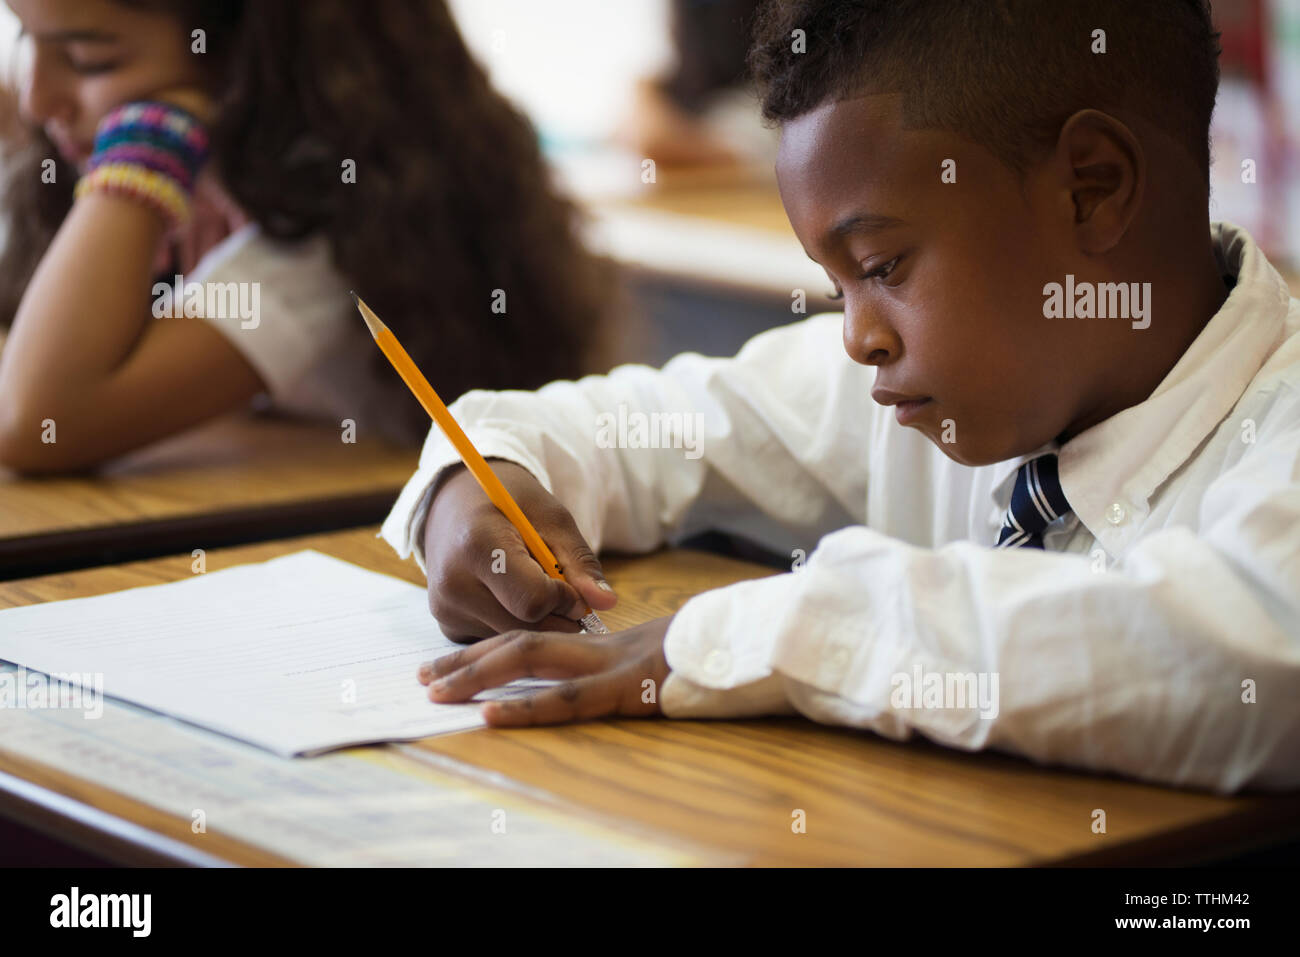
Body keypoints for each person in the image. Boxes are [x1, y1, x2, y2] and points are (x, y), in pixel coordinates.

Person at [382, 0, 1300, 793]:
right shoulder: (906, 393)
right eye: (837, 288)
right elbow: (615, 427)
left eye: (884, 266)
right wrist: (478, 477)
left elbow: (1247, 666)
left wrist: (762, 633)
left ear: (1092, 188)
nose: (859, 336)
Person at [0, 0, 614, 472]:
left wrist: (144, 147)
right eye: (25, 37)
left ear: (244, 50)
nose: (35, 99)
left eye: (89, 60)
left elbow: (36, 419)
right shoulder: (209, 178)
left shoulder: (336, 222)